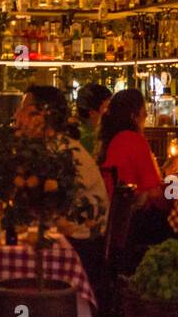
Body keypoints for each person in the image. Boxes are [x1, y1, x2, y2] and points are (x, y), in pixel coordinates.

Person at [14, 85, 108, 244]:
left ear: (43, 116)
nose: (17, 116)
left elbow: (49, 211)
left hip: (80, 244)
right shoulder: (51, 146)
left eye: (24, 110)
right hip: (67, 237)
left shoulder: (62, 152)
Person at [98, 88, 178, 248]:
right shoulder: (135, 141)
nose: (147, 116)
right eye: (144, 111)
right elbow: (156, 195)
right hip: (139, 225)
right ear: (134, 116)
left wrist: (164, 173)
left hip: (115, 224)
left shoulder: (112, 142)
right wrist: (173, 182)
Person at [74, 83, 112, 158]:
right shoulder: (88, 138)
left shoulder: (76, 131)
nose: (110, 112)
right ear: (92, 113)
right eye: (106, 107)